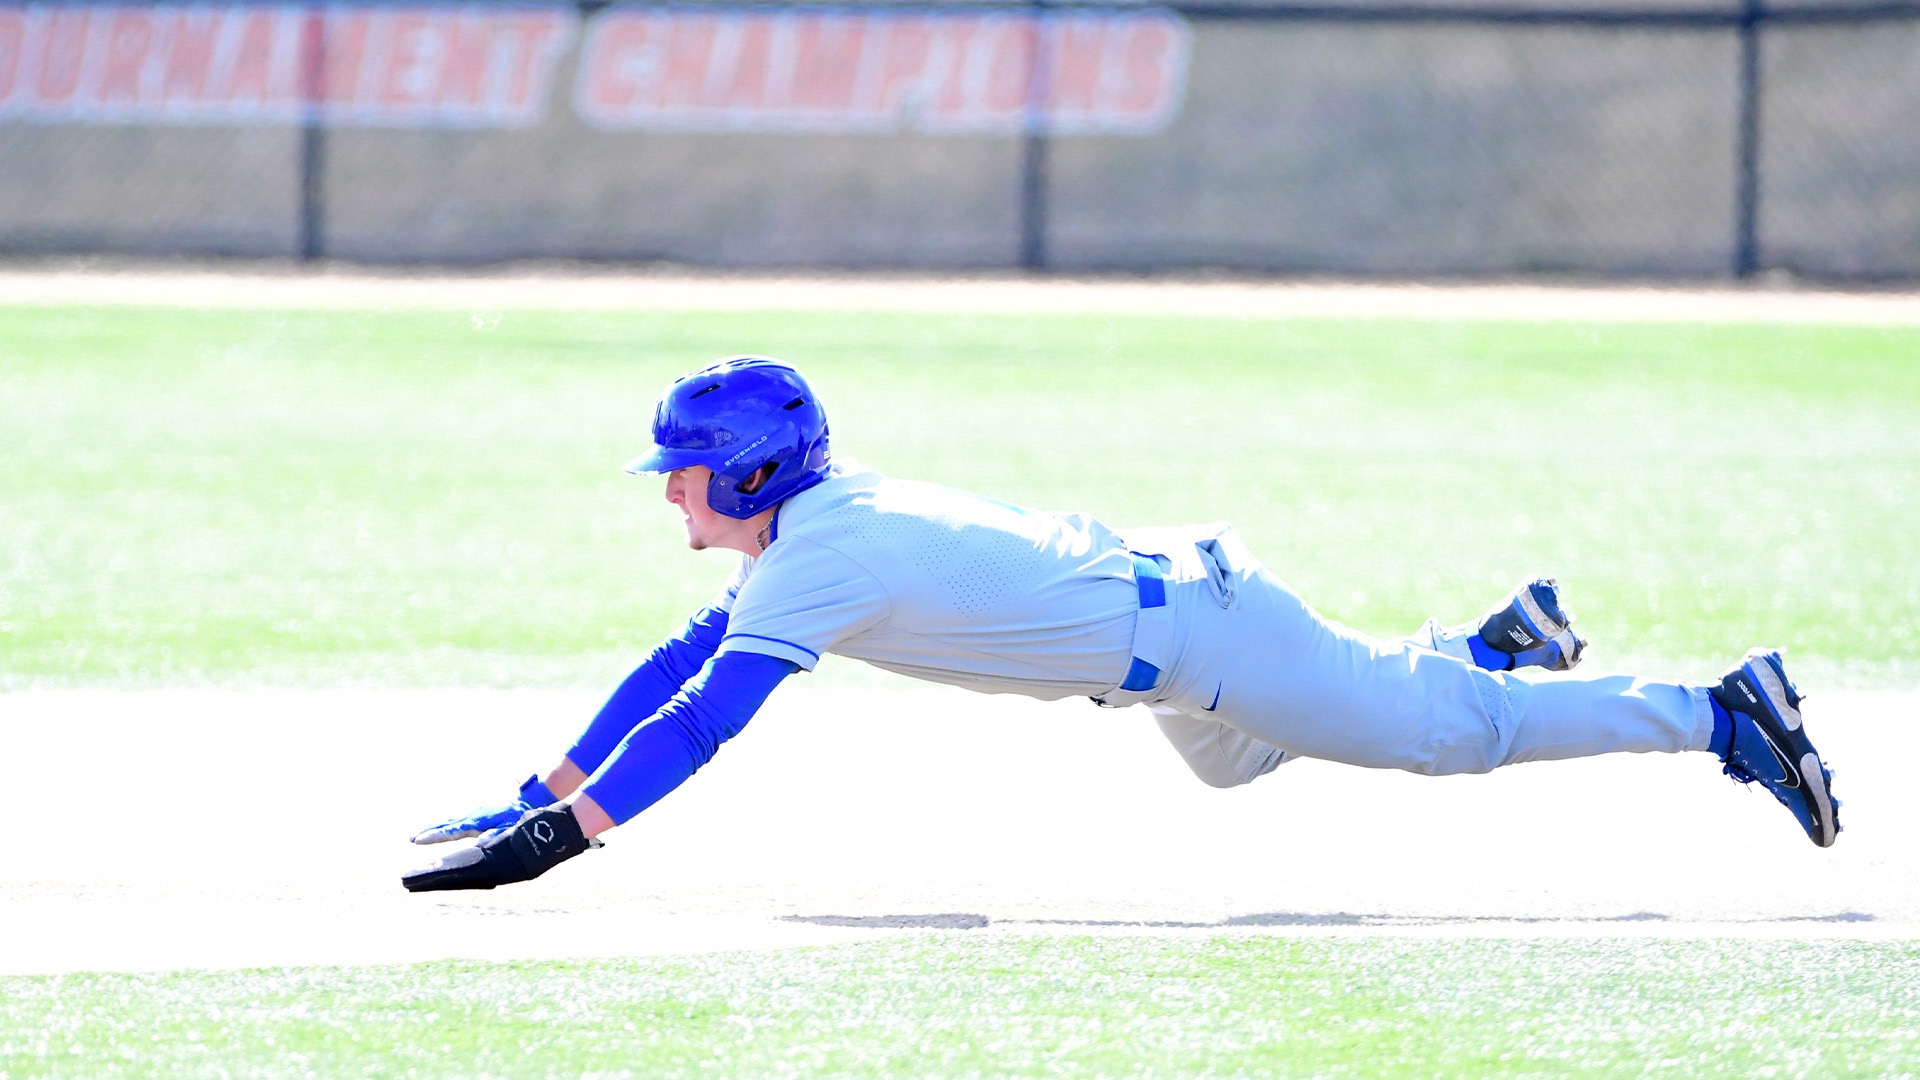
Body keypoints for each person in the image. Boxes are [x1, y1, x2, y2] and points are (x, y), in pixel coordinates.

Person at [401, 357, 1841, 892]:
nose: (672, 496)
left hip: (1205, 637)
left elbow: (707, 714)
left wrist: (567, 843)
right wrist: (541, 794)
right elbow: (676, 668)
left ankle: (1721, 711)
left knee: (1450, 746)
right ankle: (1484, 648)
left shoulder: (813, 565)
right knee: (1236, 766)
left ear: (756, 472)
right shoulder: (813, 536)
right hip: (1173, 643)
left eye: (688, 474)